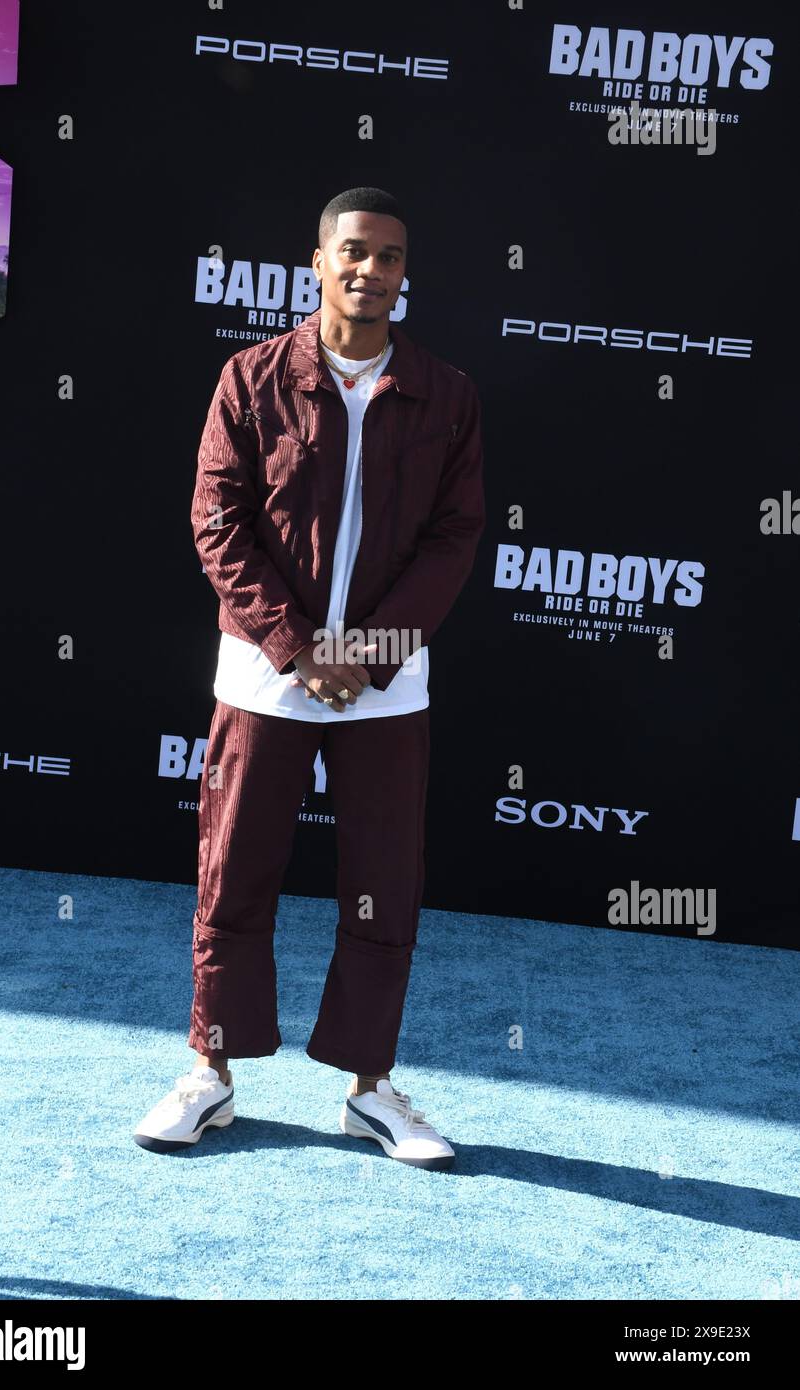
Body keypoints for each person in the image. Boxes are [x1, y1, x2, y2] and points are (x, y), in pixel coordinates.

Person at [133, 187, 485, 1168]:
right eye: (355, 252)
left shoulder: (446, 393)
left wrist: (366, 650)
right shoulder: (249, 380)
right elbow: (219, 521)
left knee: (380, 885)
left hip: (385, 684)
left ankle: (369, 1090)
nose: (372, 270)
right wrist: (297, 646)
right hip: (262, 673)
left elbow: (456, 537)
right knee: (233, 872)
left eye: (391, 256)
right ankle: (209, 1071)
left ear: (405, 274)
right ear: (318, 261)